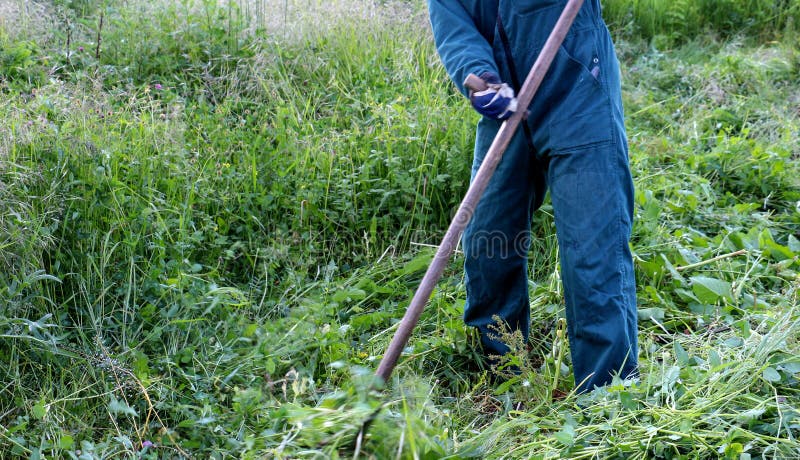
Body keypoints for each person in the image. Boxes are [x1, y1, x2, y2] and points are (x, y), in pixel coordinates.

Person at [427, 0, 638, 392]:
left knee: (592, 250)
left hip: (578, 89)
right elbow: (454, 28)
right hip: (505, 106)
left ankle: (609, 398)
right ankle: (504, 372)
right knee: (488, 242)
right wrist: (480, 78)